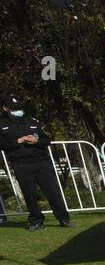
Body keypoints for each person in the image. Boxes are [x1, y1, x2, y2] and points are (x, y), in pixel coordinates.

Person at [0, 95, 72, 230]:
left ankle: (64, 219)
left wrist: (36, 141)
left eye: (19, 108)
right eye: (14, 108)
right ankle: (36, 221)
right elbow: (3, 144)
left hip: (41, 162)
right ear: (5, 109)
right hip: (20, 163)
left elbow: (47, 140)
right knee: (29, 195)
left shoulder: (32, 121)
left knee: (53, 192)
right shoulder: (2, 125)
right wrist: (18, 141)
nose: (18, 110)